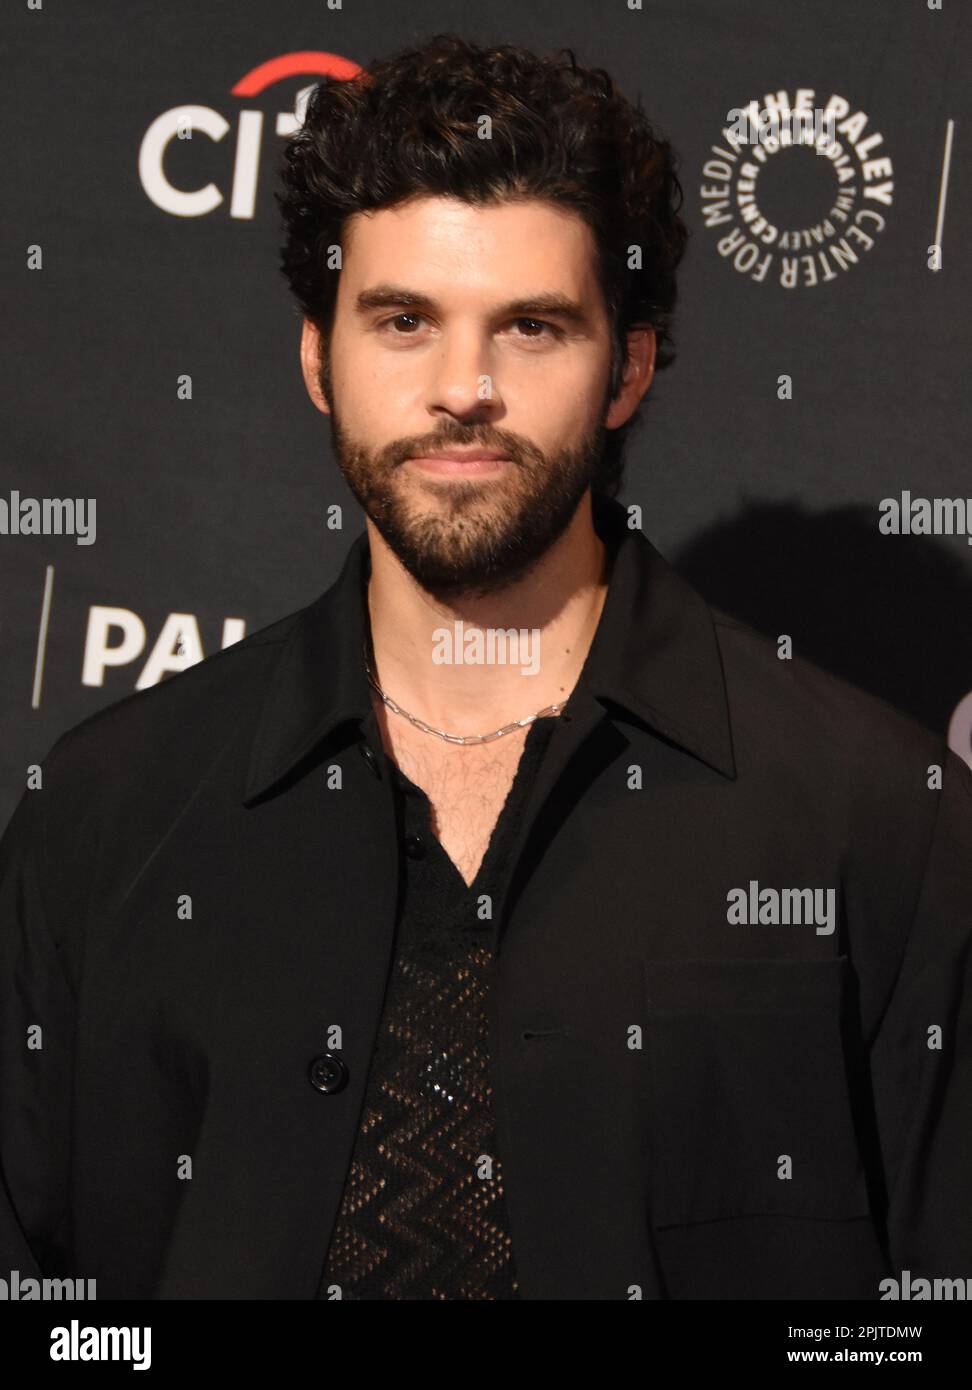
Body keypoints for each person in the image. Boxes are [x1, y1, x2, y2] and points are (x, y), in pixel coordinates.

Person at [1, 32, 969, 1302]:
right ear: (317, 357)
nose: (465, 388)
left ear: (625, 367)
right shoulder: (109, 812)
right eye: (403, 321)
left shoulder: (878, 817)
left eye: (531, 326)